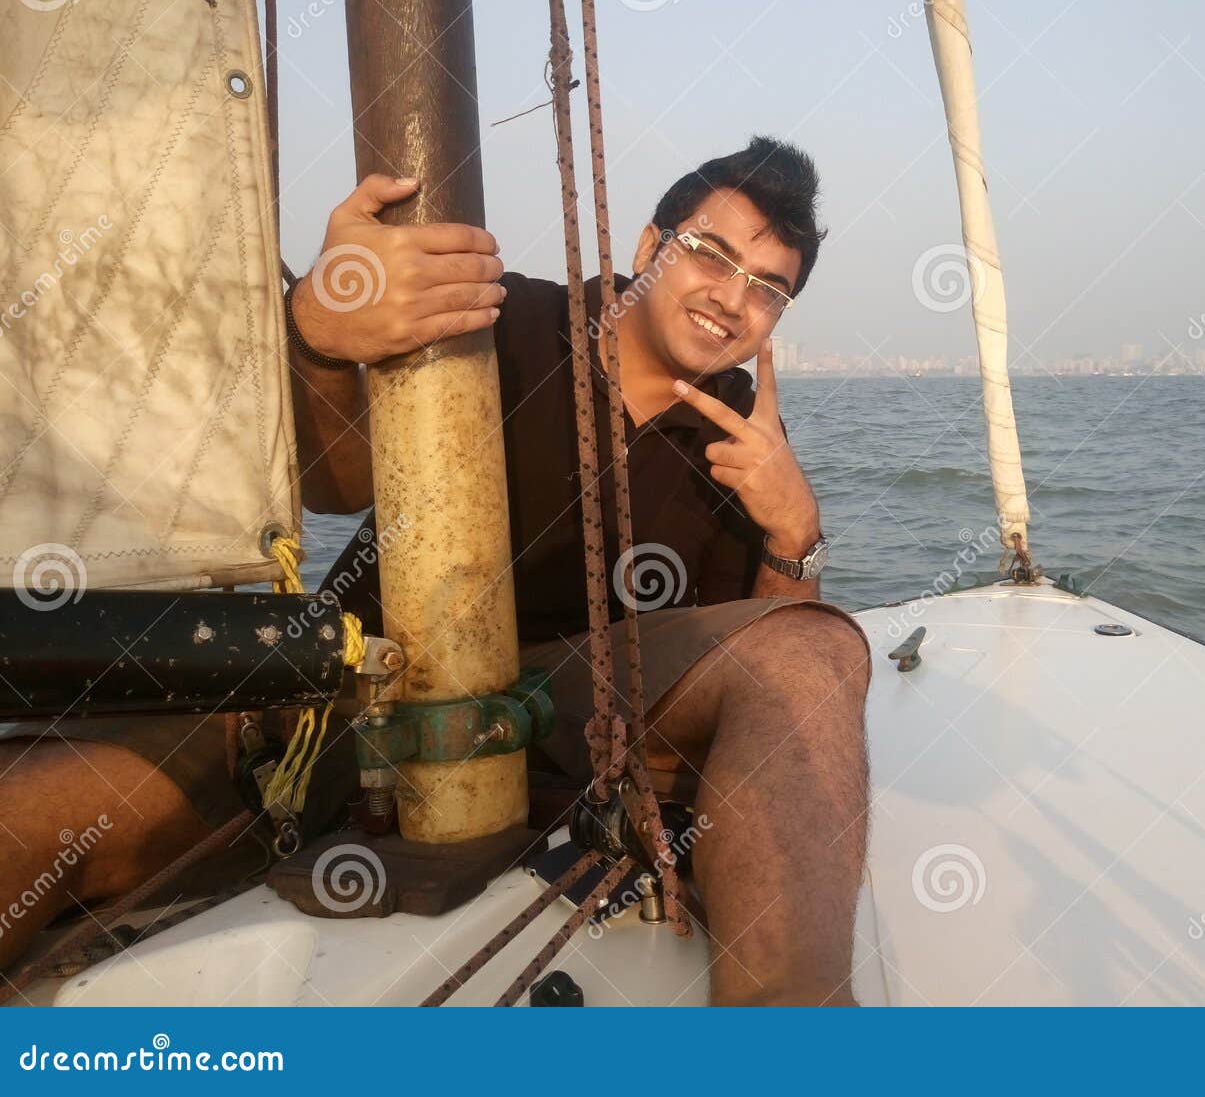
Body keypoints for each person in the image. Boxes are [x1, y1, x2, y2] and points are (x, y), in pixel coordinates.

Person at [0, 137, 870, 1007]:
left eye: (769, 288)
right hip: (335, 697)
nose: (733, 298)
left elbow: (761, 655)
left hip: (564, 720)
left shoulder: (743, 438)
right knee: (31, 820)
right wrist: (319, 334)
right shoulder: (503, 317)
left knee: (815, 653)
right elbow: (334, 482)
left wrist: (794, 529)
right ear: (649, 248)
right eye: (712, 255)